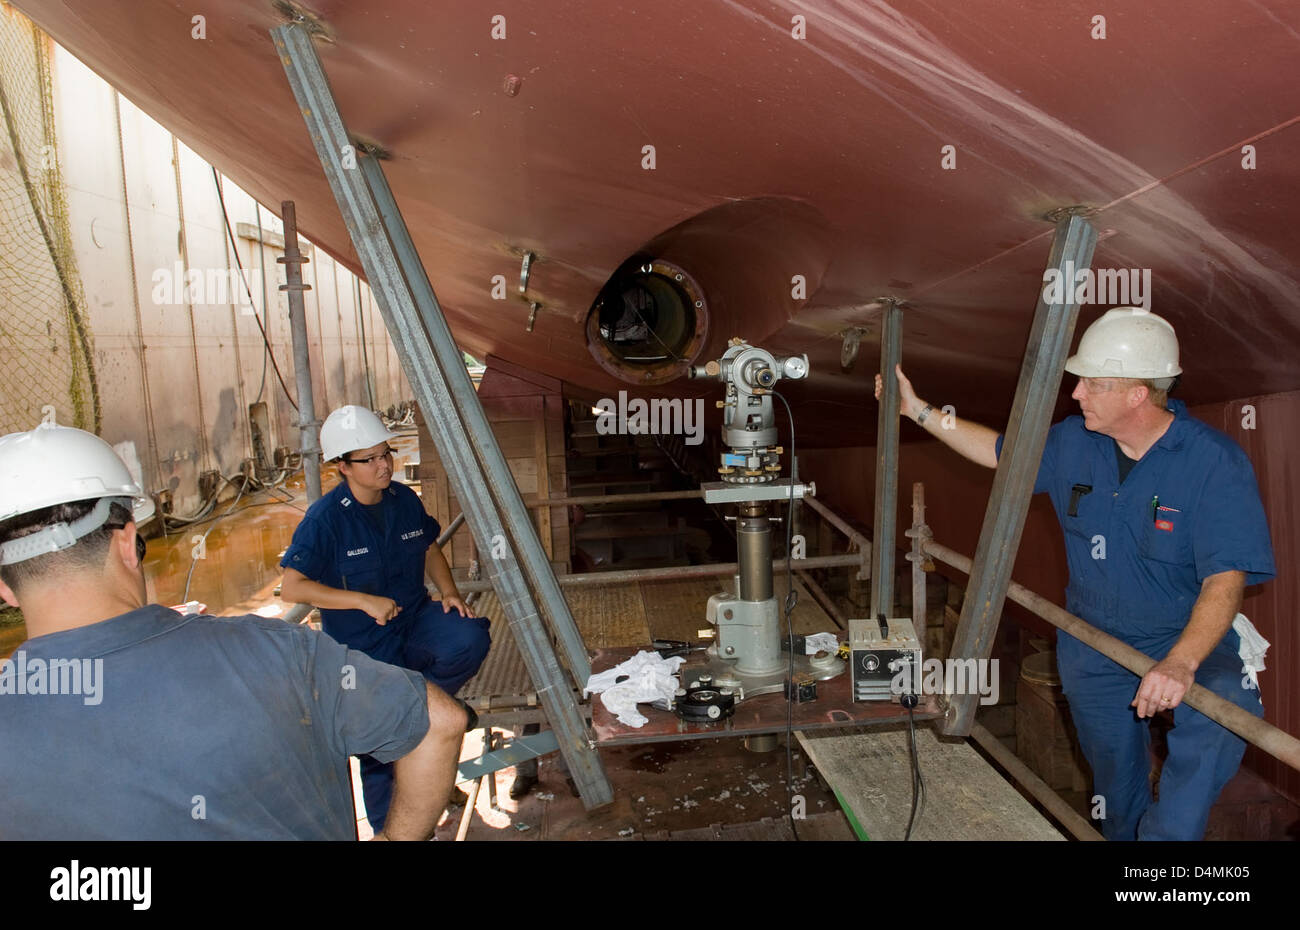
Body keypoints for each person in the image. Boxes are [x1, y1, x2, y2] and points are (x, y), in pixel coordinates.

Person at [875, 306, 1275, 840]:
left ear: (1137, 393)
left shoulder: (1213, 463)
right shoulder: (1073, 441)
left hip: (1184, 637)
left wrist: (1180, 664)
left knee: (1227, 708)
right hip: (1093, 641)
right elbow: (1000, 453)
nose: (1078, 392)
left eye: (1093, 382)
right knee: (1113, 783)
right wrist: (917, 409)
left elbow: (1225, 579)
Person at [0, 425, 467, 840]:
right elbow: (439, 722)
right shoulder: (275, 653)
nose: (383, 464)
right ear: (127, 544)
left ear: (5, 588)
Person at [280, 405, 491, 831]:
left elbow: (430, 547)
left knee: (469, 637)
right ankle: (389, 829)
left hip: (413, 620)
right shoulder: (325, 519)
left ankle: (427, 706)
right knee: (381, 749)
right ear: (342, 467)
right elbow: (293, 588)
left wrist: (449, 593)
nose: (384, 465)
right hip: (363, 645)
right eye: (370, 459)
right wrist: (360, 599)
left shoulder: (402, 499)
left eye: (385, 454)